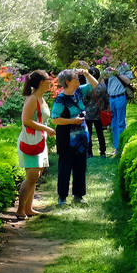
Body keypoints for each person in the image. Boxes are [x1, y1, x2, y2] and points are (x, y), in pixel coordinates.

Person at [51, 67, 99, 205]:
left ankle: (78, 195)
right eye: (75, 78)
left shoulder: (78, 91)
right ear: (67, 81)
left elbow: (95, 85)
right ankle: (62, 197)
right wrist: (73, 121)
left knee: (80, 166)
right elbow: (55, 119)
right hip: (67, 139)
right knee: (65, 167)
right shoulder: (61, 99)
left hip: (82, 138)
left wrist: (87, 73)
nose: (78, 79)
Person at [16, 69, 57, 218]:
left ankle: (28, 208)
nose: (51, 82)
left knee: (36, 174)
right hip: (30, 141)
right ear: (41, 82)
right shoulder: (33, 99)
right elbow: (25, 121)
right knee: (32, 175)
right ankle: (20, 210)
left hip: (38, 141)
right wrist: (46, 128)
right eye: (48, 80)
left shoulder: (41, 98)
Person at [104, 62, 134, 156]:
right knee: (113, 124)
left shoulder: (124, 67)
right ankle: (116, 148)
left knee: (120, 123)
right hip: (111, 98)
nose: (108, 57)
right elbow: (102, 81)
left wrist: (117, 73)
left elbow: (128, 81)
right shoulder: (107, 69)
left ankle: (121, 147)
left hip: (120, 97)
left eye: (110, 55)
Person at [83, 66, 108, 158]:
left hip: (88, 114)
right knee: (100, 133)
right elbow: (106, 99)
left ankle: (89, 152)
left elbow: (84, 101)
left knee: (88, 133)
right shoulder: (102, 87)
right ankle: (103, 152)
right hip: (99, 113)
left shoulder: (87, 88)